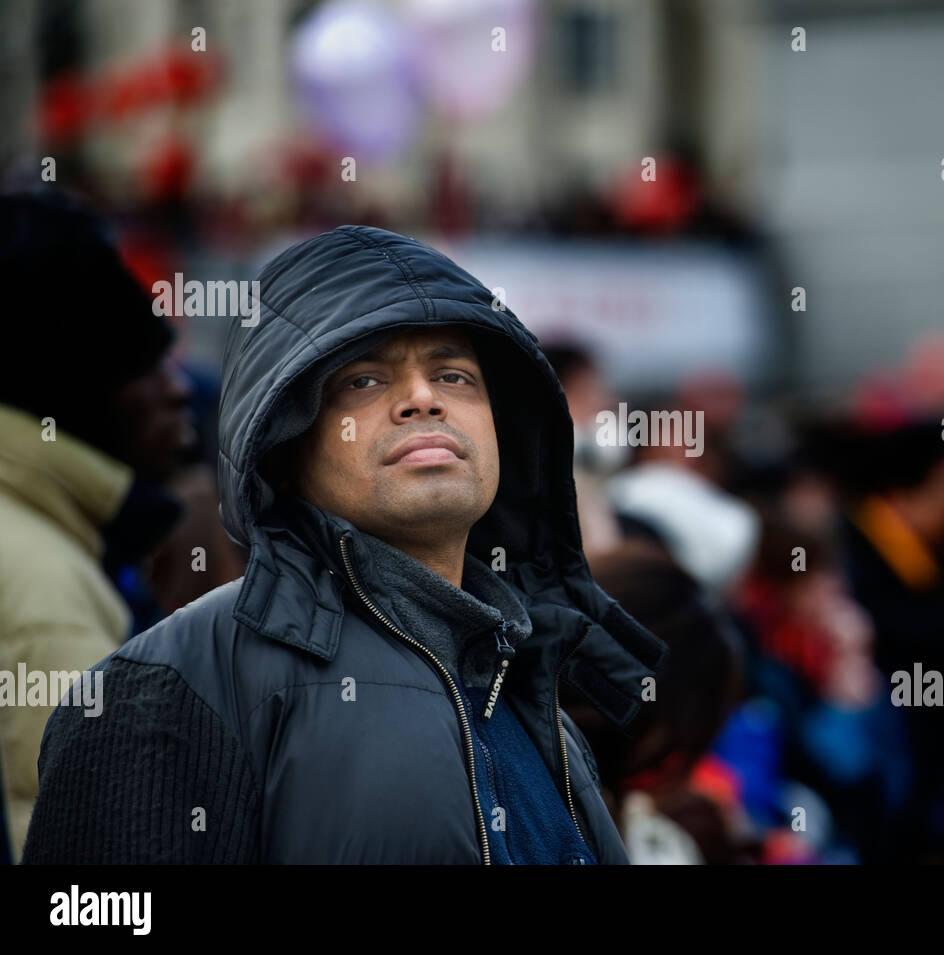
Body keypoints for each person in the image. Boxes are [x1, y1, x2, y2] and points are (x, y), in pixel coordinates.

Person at [22, 226, 668, 864]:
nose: (421, 398)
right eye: (363, 380)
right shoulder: (173, 687)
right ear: (283, 440)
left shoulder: (536, 703)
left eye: (453, 375)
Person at [0, 192, 193, 859]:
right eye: (146, 361)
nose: (178, 387)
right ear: (77, 391)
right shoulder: (48, 589)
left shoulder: (43, 539)